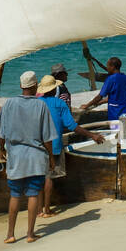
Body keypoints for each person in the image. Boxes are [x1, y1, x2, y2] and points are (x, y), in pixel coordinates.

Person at [0, 71, 58, 243]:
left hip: (15, 157)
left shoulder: (9, 104)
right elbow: (47, 138)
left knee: (15, 195)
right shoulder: (41, 106)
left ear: (21, 86)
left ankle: (10, 234)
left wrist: (2, 149)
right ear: (35, 86)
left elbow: (1, 132)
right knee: (32, 195)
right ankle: (30, 234)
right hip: (36, 158)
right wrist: (51, 158)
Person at [38, 74, 104, 217]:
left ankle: (37, 210)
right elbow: (71, 125)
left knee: (39, 177)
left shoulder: (36, 102)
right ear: (55, 88)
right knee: (48, 177)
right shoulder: (59, 103)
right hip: (53, 144)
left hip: (36, 144)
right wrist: (92, 135)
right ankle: (46, 210)